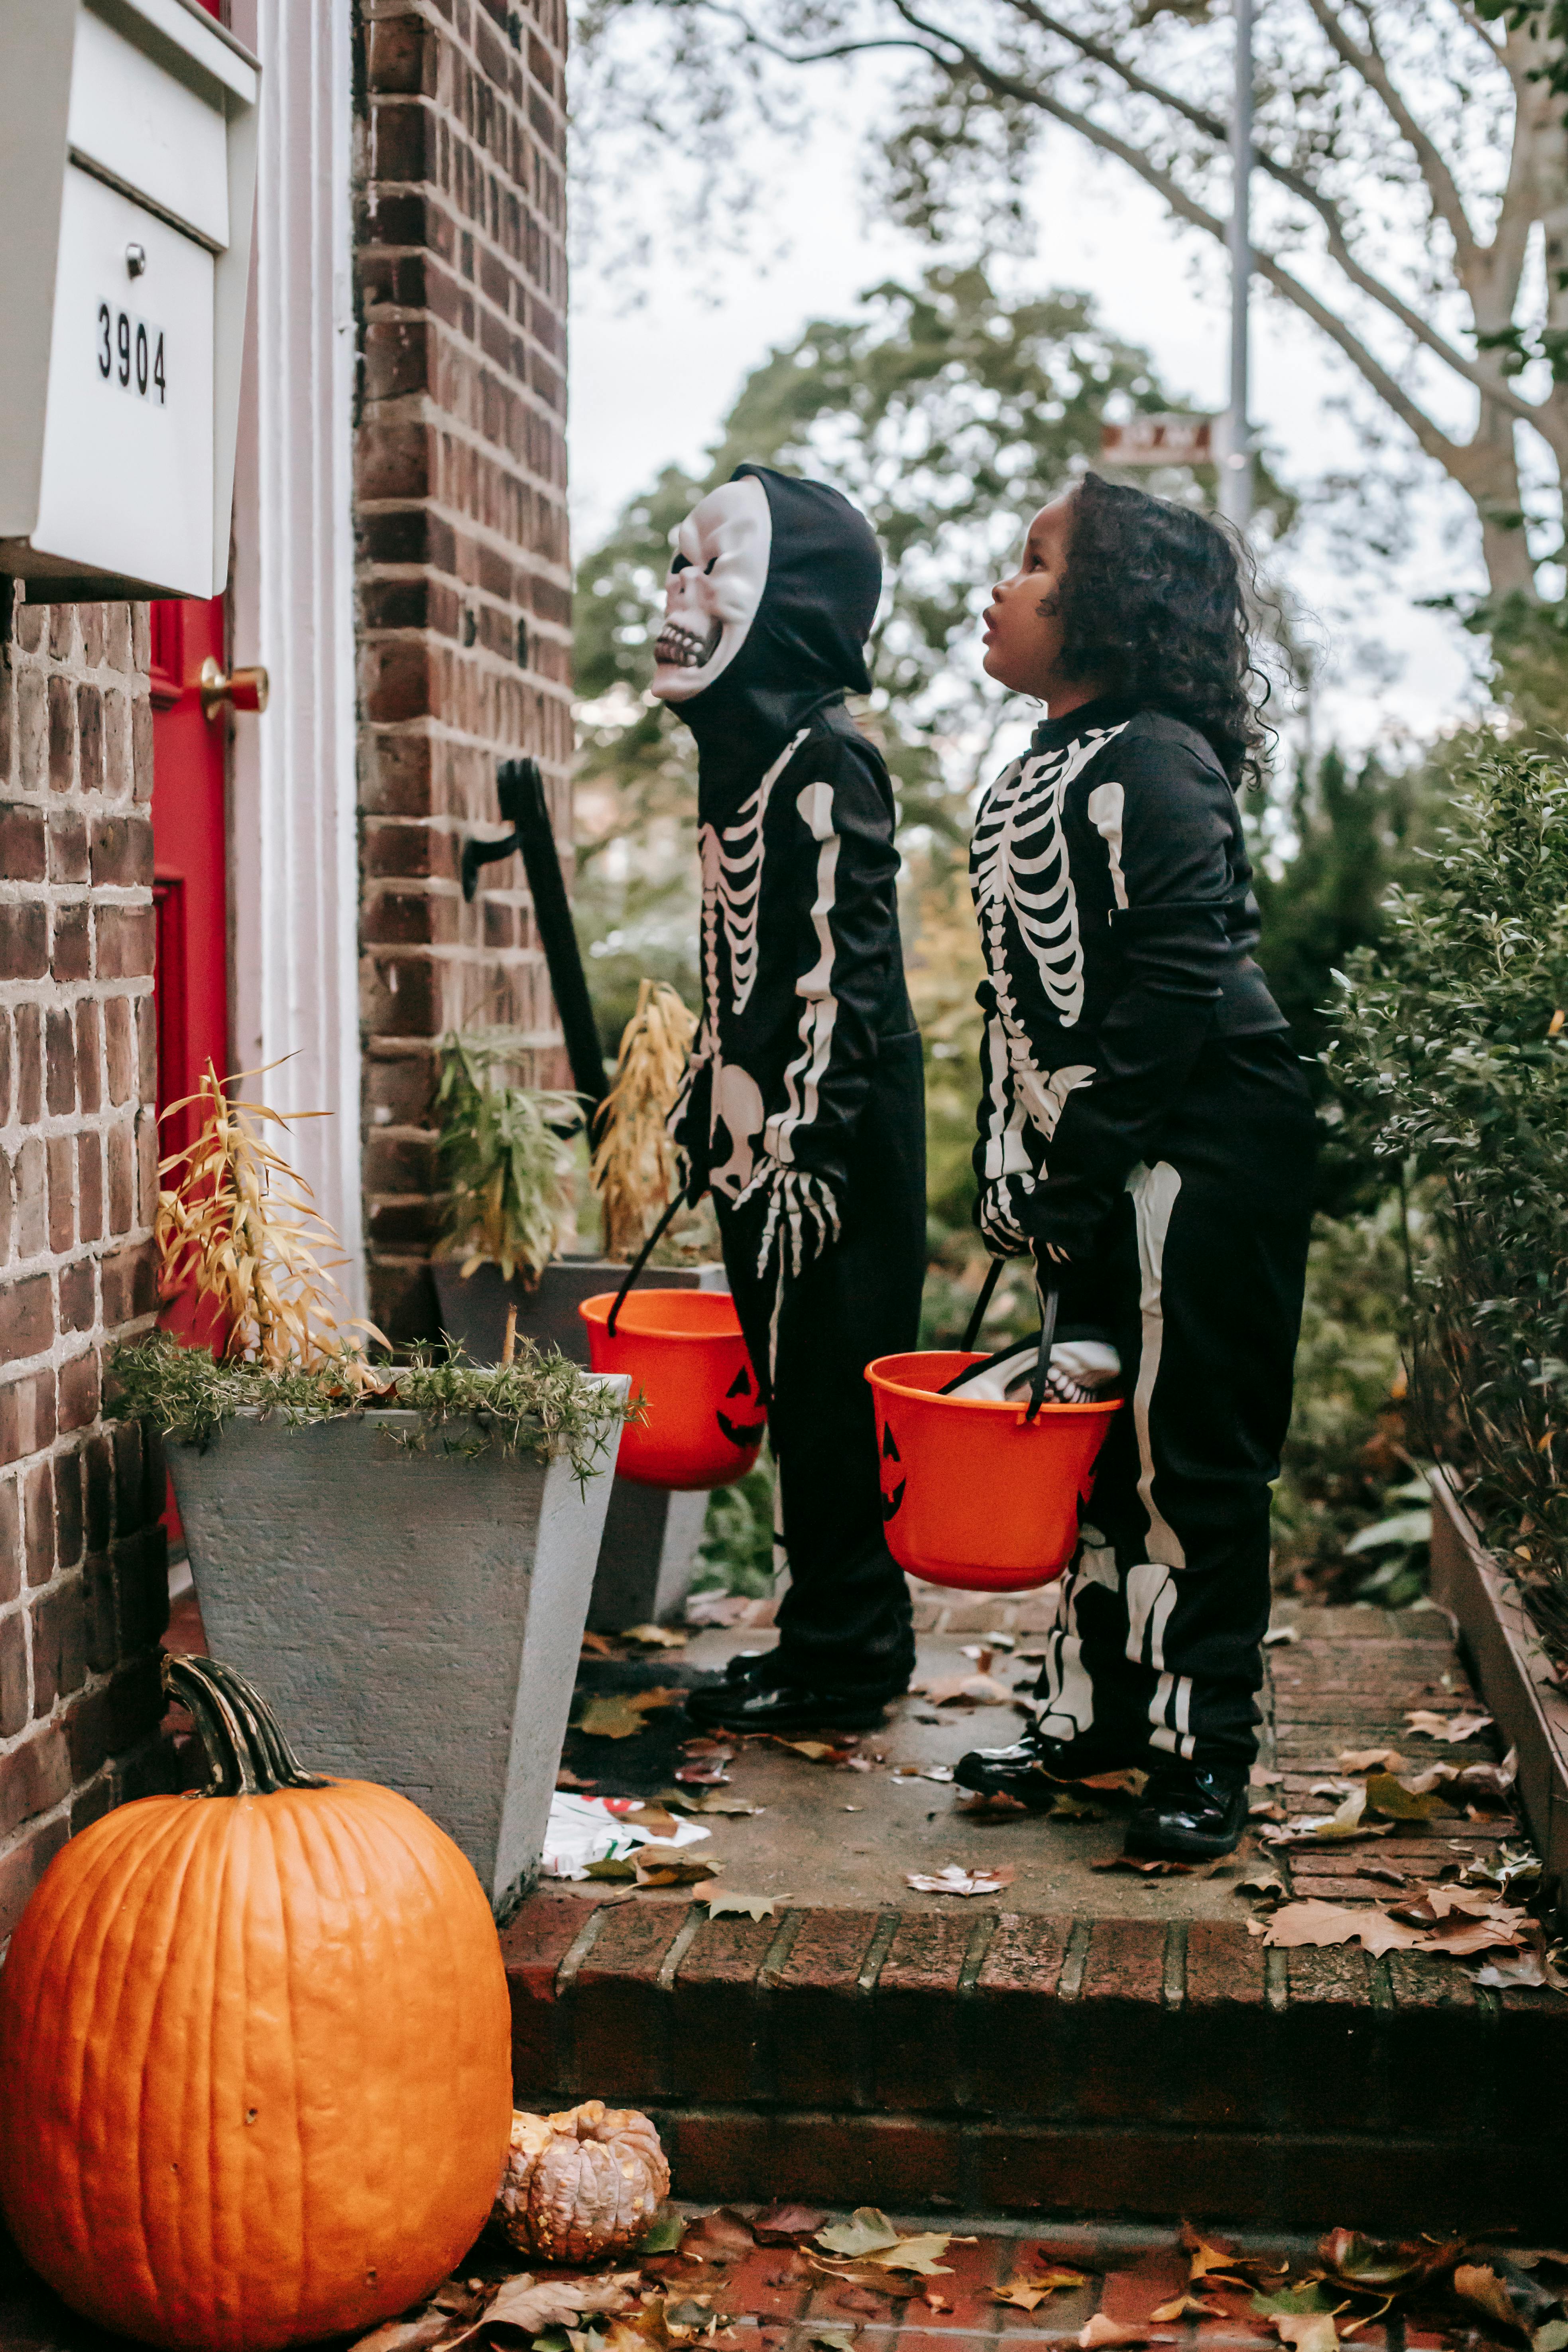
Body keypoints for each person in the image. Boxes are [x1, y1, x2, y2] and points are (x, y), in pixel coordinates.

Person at [953, 471, 1317, 1861]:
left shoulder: (1156, 758)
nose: (1004, 586)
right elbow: (1014, 996)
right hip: (1100, 1158)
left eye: (1038, 563)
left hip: (1206, 1148)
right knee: (1097, 1443)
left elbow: (1175, 979)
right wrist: (1013, 1150)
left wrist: (1082, 1158)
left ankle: (1204, 1745)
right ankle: (1100, 1712)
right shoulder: (1035, 769)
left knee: (1192, 1453)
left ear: (1113, 603)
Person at [650, 463, 926, 1732]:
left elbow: (842, 969)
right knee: (789, 1385)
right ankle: (819, 1633)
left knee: (833, 1397)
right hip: (760, 1128)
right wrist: (704, 1093)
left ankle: (854, 1653)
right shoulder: (742, 768)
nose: (677, 592)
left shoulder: (827, 762)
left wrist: (808, 1139)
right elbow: (737, 965)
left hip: (833, 1142)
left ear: (794, 605)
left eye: (714, 569)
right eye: (677, 564)